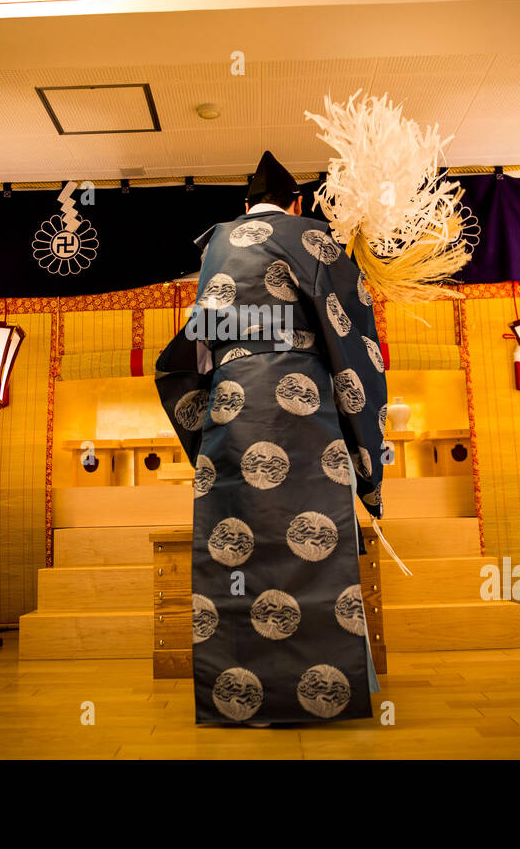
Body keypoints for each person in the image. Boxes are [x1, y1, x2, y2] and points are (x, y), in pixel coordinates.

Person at [155, 151, 388, 726]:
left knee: (238, 547)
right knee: (316, 544)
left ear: (244, 208)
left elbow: (197, 344)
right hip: (300, 405)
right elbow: (349, 335)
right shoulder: (312, 237)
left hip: (233, 407)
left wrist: (209, 421)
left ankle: (238, 699)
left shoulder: (215, 244)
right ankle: (326, 694)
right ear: (299, 203)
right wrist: (366, 461)